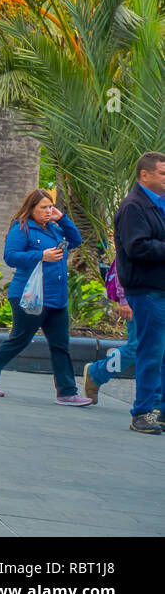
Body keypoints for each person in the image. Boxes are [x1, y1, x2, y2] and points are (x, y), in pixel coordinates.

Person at [0, 189, 91, 406]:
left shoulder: (55, 229)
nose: (48, 211)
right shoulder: (22, 228)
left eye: (50, 207)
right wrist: (41, 255)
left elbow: (75, 241)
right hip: (29, 296)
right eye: (43, 208)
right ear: (31, 208)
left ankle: (67, 392)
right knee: (20, 339)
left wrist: (63, 218)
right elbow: (10, 257)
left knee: (60, 344)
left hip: (56, 297)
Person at [112, 152, 165, 433]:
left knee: (162, 353)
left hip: (160, 288)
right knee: (151, 352)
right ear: (145, 175)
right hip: (146, 290)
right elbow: (137, 247)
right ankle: (142, 412)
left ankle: (161, 412)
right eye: (163, 174)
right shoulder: (134, 206)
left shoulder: (159, 204)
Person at [82, 256, 142, 406]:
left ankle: (157, 402)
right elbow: (123, 263)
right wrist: (124, 300)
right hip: (138, 298)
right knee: (136, 346)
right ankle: (96, 373)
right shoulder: (135, 233)